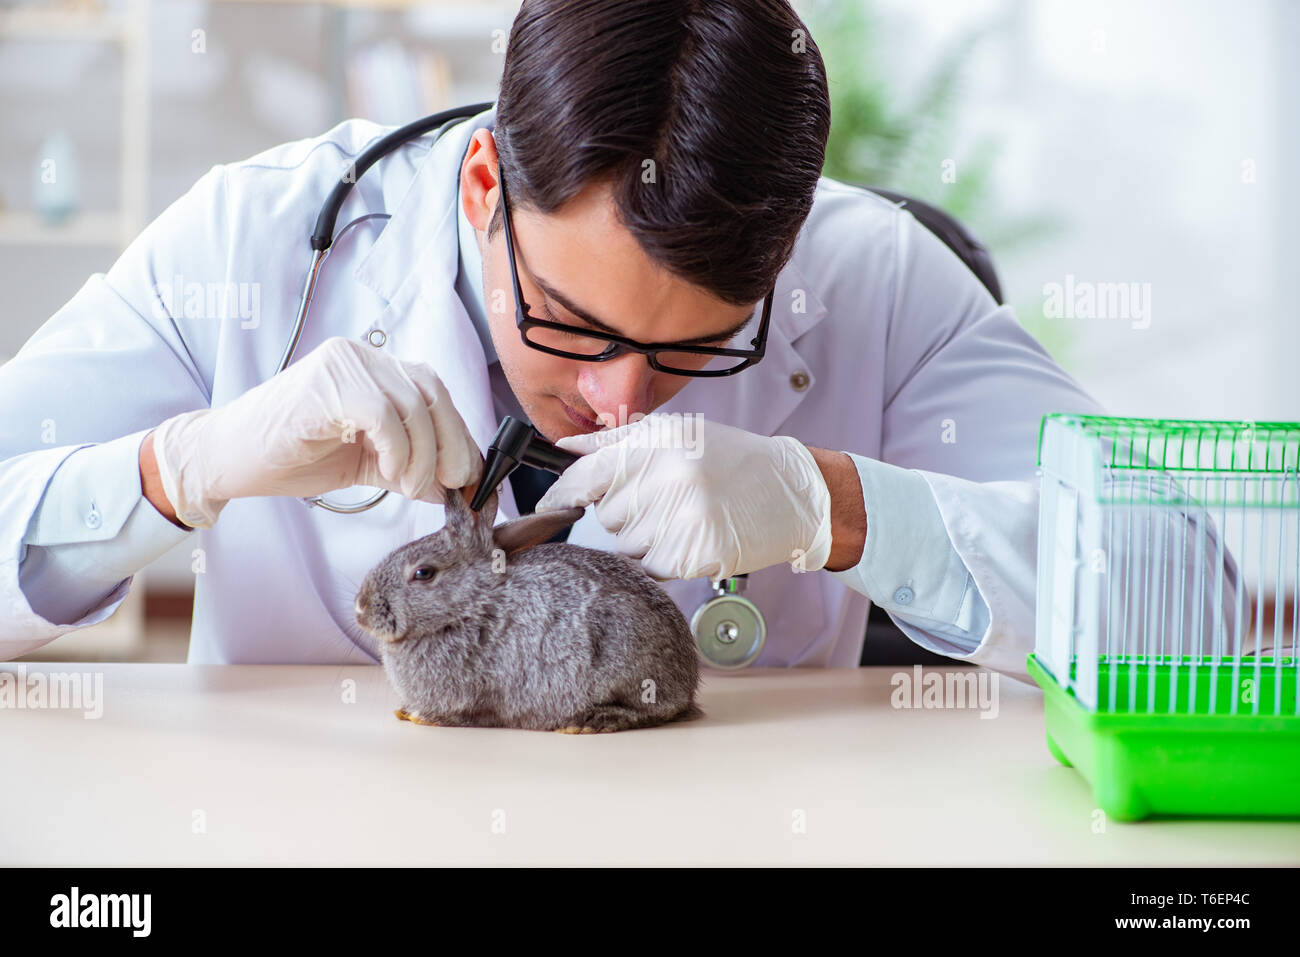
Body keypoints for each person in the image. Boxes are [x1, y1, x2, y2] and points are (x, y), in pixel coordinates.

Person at [0, 0, 1103, 674]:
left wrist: (841, 509)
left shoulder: (876, 273)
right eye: (571, 323)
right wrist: (178, 468)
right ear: (485, 183)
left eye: (698, 348)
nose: (621, 401)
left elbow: (1192, 593)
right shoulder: (255, 239)